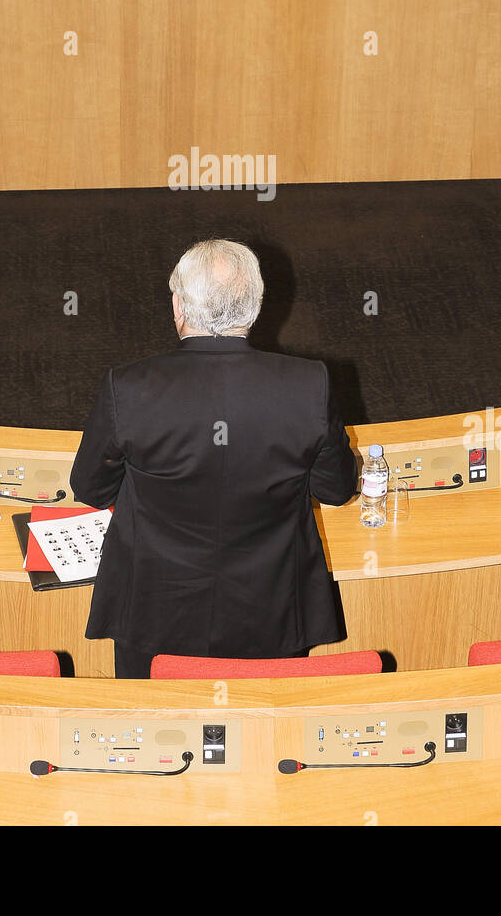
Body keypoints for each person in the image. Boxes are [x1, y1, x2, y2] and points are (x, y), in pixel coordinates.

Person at [70, 239, 359, 678]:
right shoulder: (307, 385)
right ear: (256, 308)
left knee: (155, 735)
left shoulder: (128, 387)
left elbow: (91, 490)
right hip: (271, 611)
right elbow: (336, 490)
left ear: (178, 307)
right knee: (265, 730)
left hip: (153, 612)